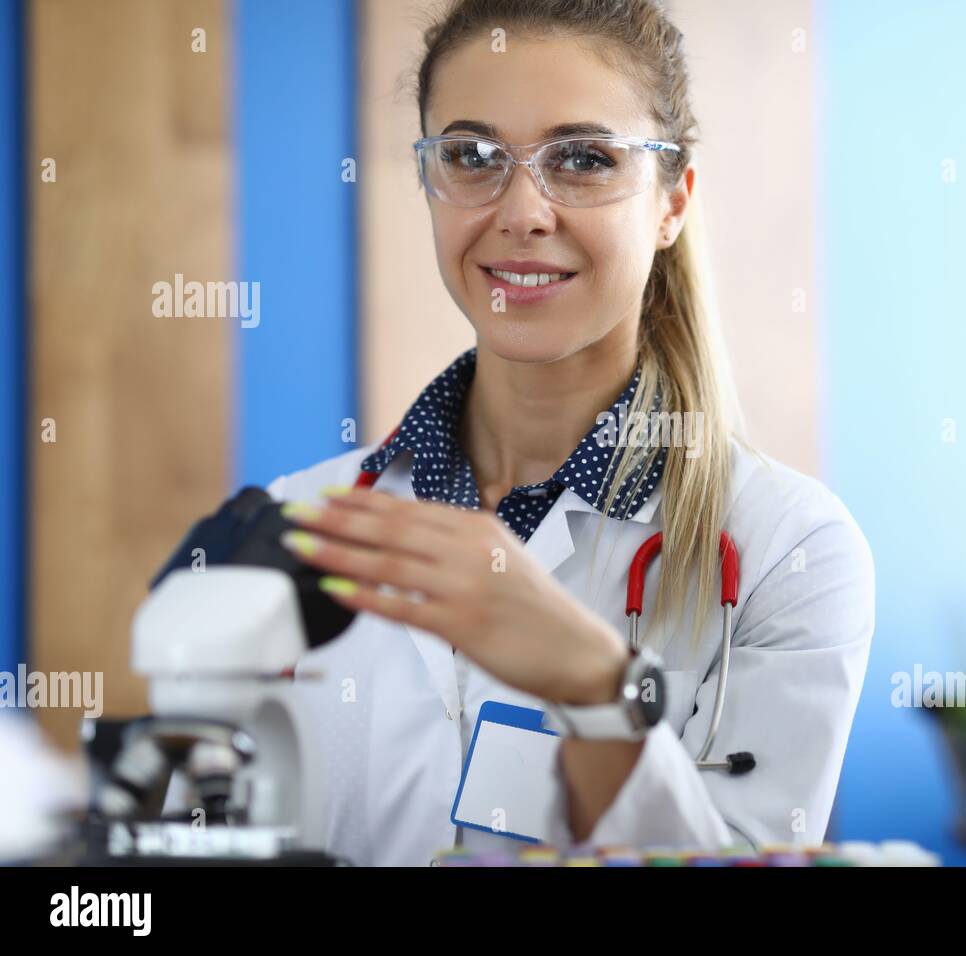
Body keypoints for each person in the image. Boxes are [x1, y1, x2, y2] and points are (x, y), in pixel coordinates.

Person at [269, 0, 875, 866]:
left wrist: (599, 686)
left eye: (583, 159)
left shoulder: (791, 550)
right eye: (472, 157)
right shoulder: (301, 517)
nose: (522, 212)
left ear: (673, 202)